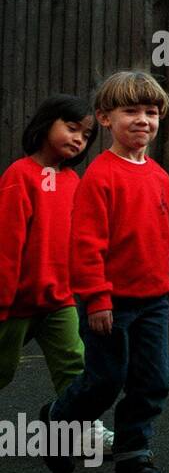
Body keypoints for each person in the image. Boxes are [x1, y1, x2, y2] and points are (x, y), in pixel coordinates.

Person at [42, 73, 169, 473]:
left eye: (151, 111)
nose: (143, 120)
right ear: (105, 118)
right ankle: (58, 422)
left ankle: (133, 457)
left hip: (156, 301)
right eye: (131, 111)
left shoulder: (159, 176)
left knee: (153, 379)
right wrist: (98, 299)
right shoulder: (100, 177)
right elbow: (86, 246)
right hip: (111, 304)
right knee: (105, 380)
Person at [0, 96, 112, 454]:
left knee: (75, 367)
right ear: (46, 124)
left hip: (59, 299)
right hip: (15, 302)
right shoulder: (19, 175)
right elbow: (6, 245)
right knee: (2, 369)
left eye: (86, 134)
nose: (79, 138)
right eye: (71, 127)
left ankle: (81, 432)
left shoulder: (73, 181)